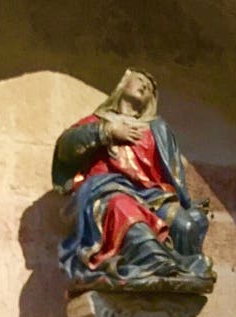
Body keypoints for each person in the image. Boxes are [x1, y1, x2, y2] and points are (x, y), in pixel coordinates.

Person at [52, 69, 215, 293]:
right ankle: (156, 264)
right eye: (139, 81)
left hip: (153, 196)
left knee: (185, 225)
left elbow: (174, 172)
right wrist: (107, 131)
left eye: (149, 88)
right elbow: (65, 148)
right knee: (125, 211)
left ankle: (181, 272)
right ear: (122, 85)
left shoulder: (157, 129)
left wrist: (187, 204)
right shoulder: (100, 121)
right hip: (108, 190)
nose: (144, 87)